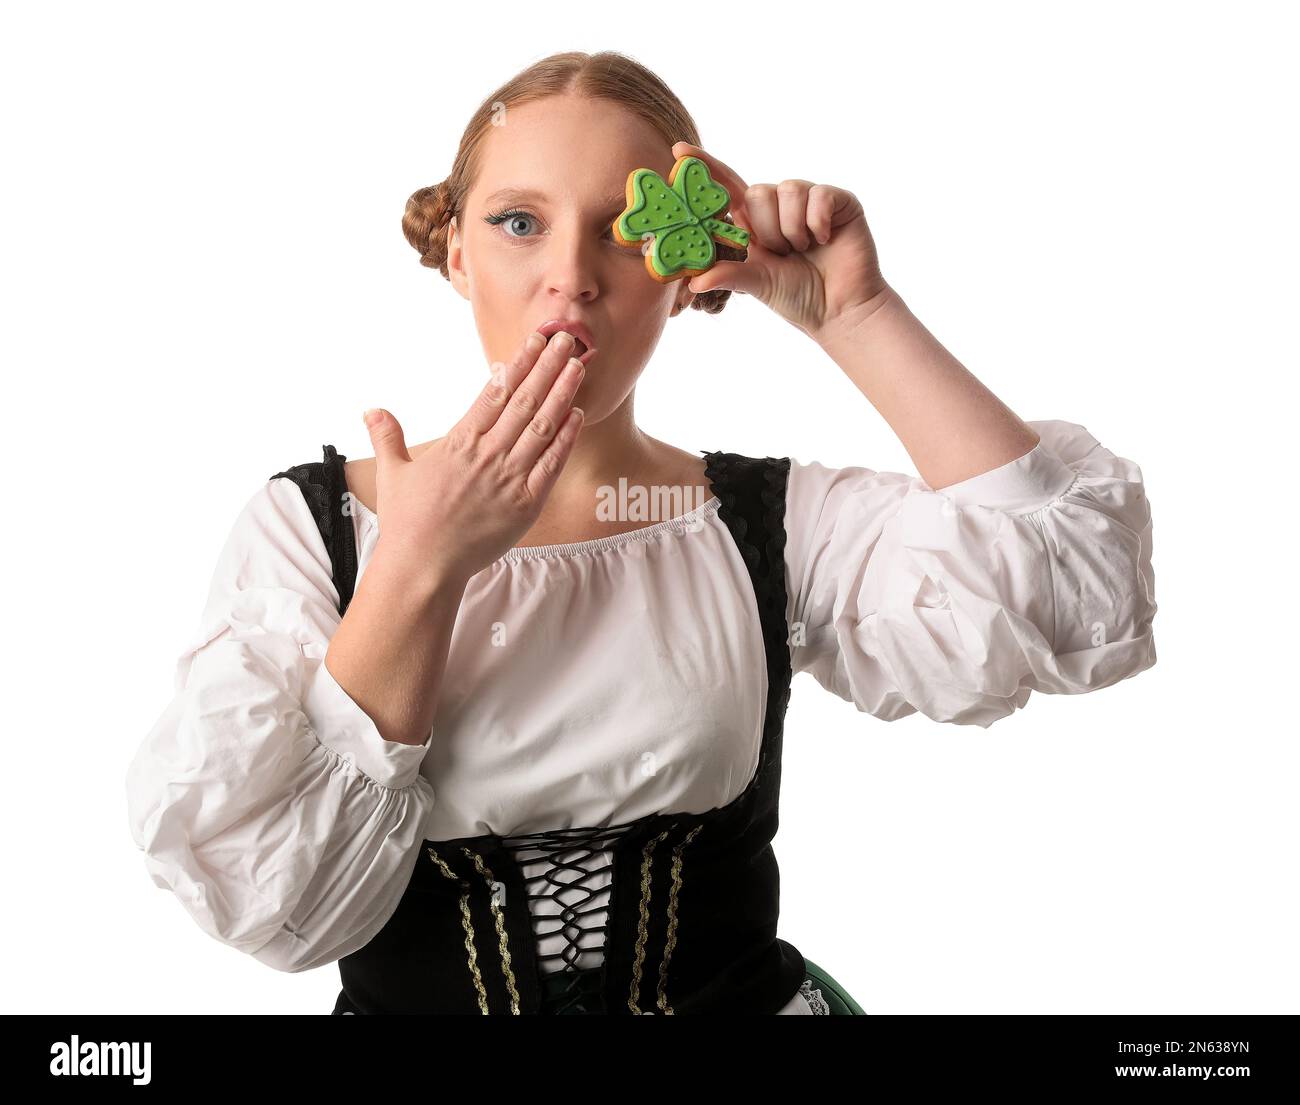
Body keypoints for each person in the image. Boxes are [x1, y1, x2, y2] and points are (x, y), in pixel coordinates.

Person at [124, 51, 1157, 1015]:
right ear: (454, 256)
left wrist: (855, 312)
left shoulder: (764, 521)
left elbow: (1074, 591)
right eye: (518, 222)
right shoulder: (312, 531)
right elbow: (280, 910)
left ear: (683, 264)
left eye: (623, 228)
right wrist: (417, 564)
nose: (569, 276)